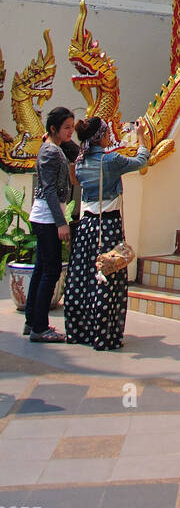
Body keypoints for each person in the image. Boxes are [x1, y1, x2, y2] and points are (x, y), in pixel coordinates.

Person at [63, 117, 150, 351]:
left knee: (83, 276)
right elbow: (142, 160)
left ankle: (80, 329)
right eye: (106, 132)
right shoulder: (110, 160)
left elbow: (77, 181)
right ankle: (104, 333)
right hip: (107, 225)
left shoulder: (81, 161)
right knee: (108, 275)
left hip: (86, 226)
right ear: (100, 136)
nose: (109, 135)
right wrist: (141, 135)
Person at [25, 106, 76, 343]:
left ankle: (31, 321)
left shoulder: (55, 148)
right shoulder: (49, 152)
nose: (70, 132)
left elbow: (74, 151)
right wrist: (61, 223)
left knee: (42, 268)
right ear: (54, 129)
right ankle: (39, 326)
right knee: (52, 270)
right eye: (66, 128)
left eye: (72, 128)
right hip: (47, 217)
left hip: (47, 217)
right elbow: (48, 189)